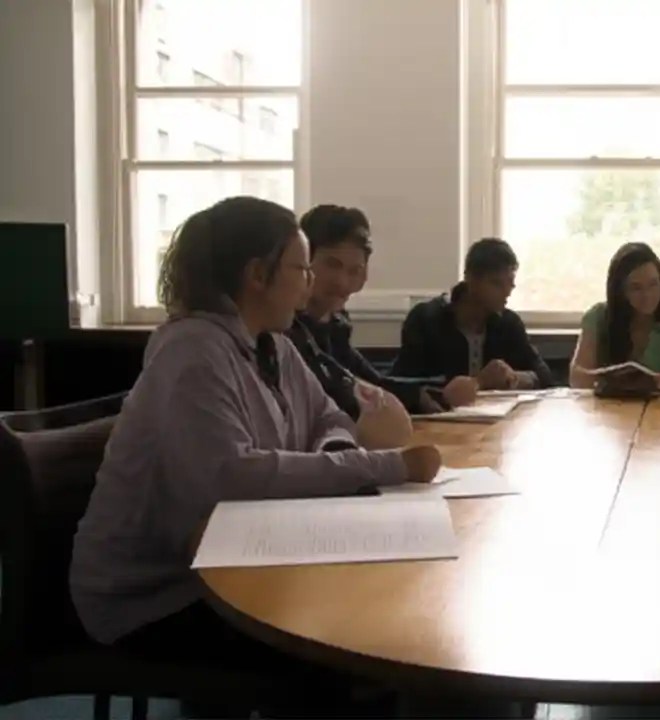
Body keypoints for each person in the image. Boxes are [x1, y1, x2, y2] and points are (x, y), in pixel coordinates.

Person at [69, 197, 441, 709]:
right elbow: (232, 478)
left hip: (234, 564)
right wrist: (386, 465)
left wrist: (335, 448)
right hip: (156, 596)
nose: (310, 283)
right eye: (302, 268)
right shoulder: (193, 351)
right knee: (349, 653)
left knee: (378, 631)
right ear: (257, 275)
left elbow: (328, 419)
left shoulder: (276, 345)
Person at [289, 204, 477, 431]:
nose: (342, 282)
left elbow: (372, 382)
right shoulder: (285, 326)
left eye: (354, 270)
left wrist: (436, 392)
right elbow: (337, 396)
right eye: (332, 265)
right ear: (304, 260)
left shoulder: (335, 323)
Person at [392, 237, 555, 390]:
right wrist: (479, 382)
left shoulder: (509, 323)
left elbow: (545, 376)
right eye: (496, 283)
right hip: (438, 415)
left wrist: (513, 377)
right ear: (470, 279)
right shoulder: (425, 319)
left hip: (498, 417)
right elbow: (402, 385)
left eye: (510, 284)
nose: (507, 292)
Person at [569, 242, 660, 390]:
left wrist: (655, 382)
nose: (647, 295)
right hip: (612, 409)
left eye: (653, 284)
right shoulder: (597, 317)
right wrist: (617, 383)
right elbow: (577, 377)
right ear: (620, 291)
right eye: (636, 288)